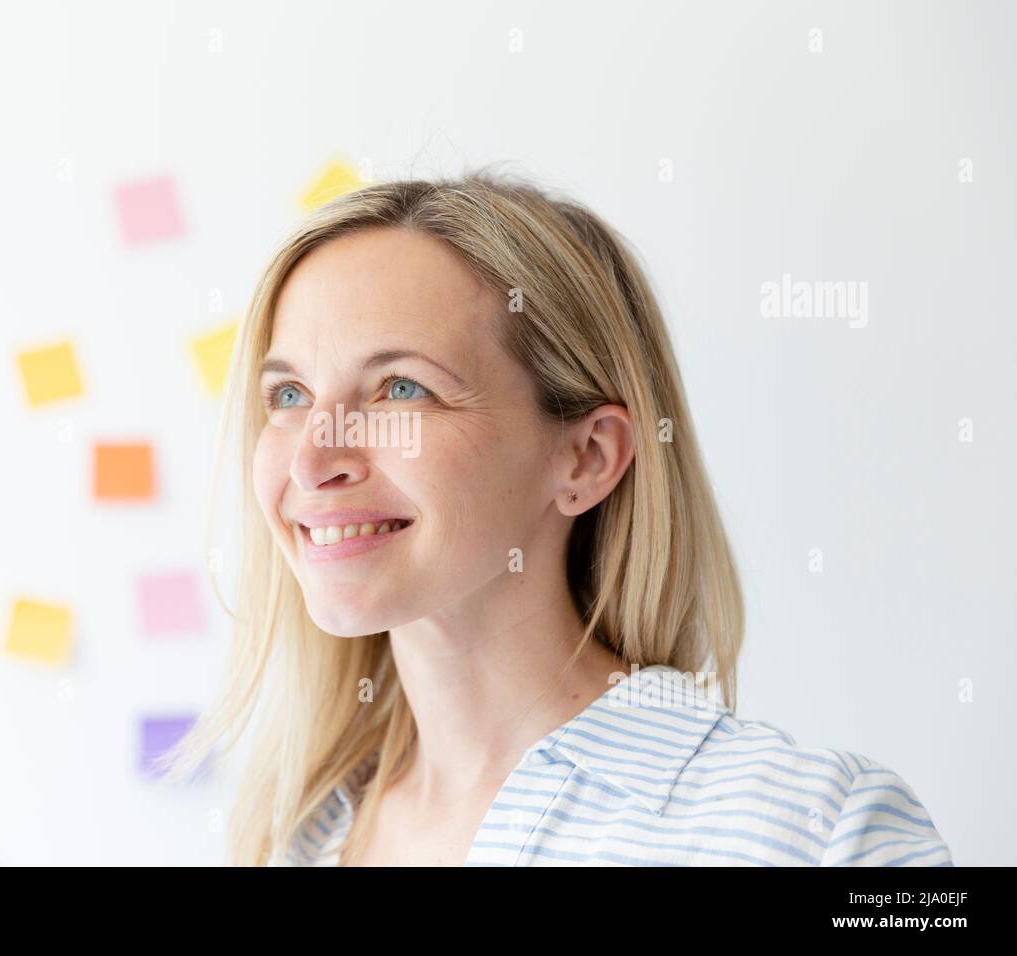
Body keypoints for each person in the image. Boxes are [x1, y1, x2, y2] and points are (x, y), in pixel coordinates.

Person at [158, 171, 953, 867]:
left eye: (400, 389)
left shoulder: (817, 832)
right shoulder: (294, 836)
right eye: (288, 397)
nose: (310, 462)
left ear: (586, 458)